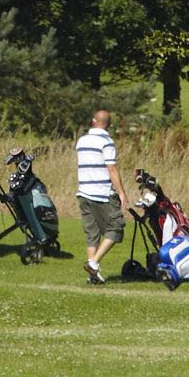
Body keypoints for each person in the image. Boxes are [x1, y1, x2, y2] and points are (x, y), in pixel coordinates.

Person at [74, 107, 128, 285]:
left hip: (83, 192)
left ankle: (93, 275)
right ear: (108, 125)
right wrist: (121, 193)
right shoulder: (107, 142)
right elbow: (111, 168)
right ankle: (93, 263)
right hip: (102, 193)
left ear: (93, 121)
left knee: (92, 233)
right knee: (116, 227)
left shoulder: (81, 141)